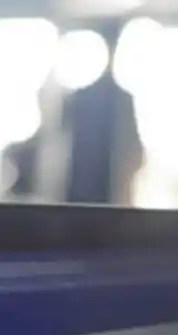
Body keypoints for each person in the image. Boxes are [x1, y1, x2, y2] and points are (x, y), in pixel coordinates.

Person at [63, 23, 142, 205]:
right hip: (81, 190)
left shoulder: (120, 99)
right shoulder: (80, 99)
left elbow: (132, 151)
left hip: (105, 191)